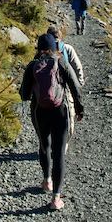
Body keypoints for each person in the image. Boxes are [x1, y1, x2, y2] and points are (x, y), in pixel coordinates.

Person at [20, 34, 84, 211]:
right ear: (54, 48)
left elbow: (24, 95)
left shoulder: (33, 65)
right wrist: (79, 109)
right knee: (59, 153)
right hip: (60, 111)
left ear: (39, 48)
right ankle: (56, 199)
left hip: (40, 112)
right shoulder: (61, 62)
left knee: (44, 146)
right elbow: (75, 86)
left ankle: (47, 181)